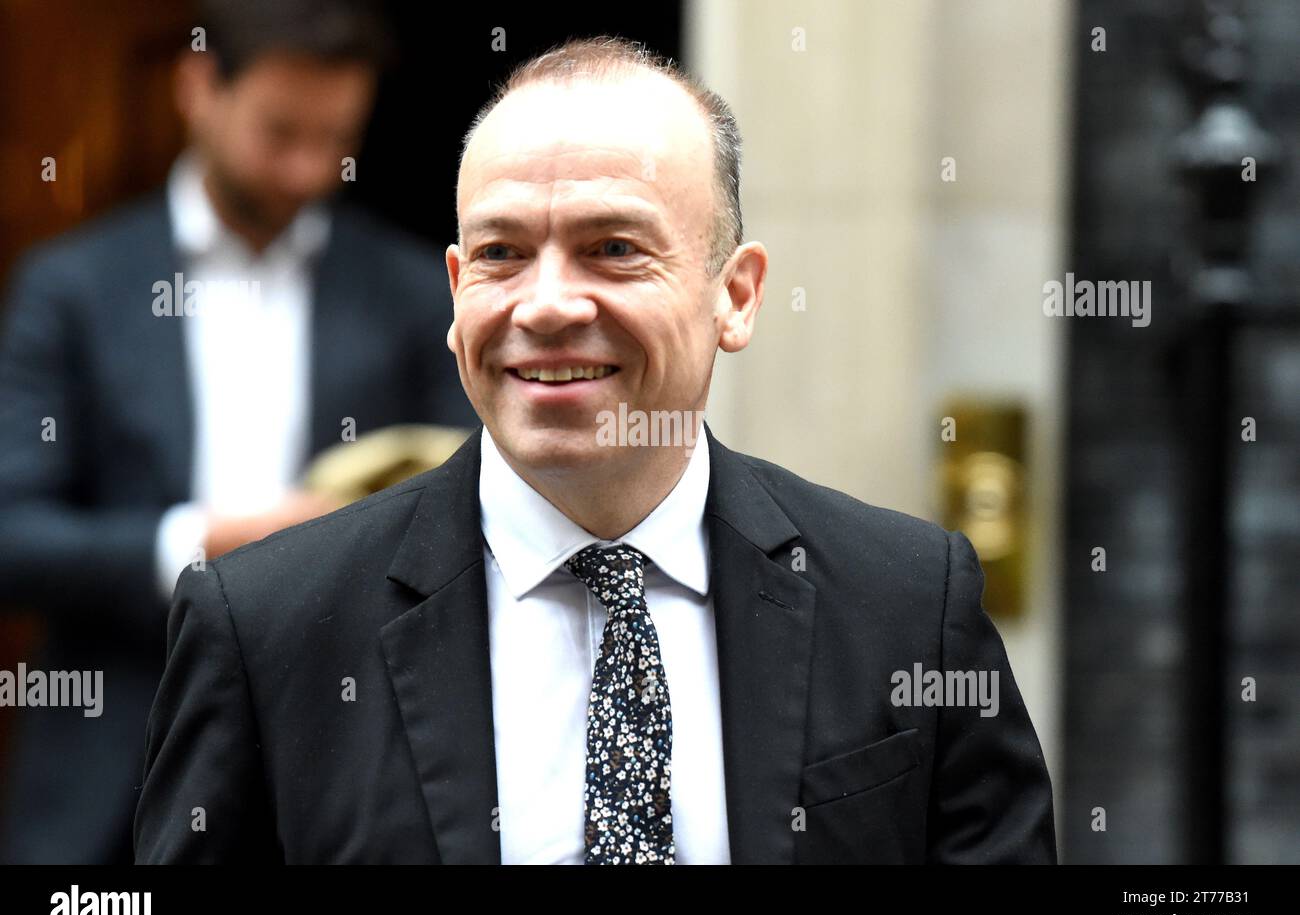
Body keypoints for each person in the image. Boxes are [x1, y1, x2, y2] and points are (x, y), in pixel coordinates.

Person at [134, 36, 1056, 864]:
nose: (545, 305)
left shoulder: (907, 600)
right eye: (500, 253)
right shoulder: (265, 627)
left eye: (612, 247)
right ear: (456, 295)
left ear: (735, 295)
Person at [0, 0, 475, 863]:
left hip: (343, 759)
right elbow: (12, 533)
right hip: (107, 763)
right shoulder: (70, 285)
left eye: (335, 139)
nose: (307, 169)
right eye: (280, 132)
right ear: (196, 86)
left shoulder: (412, 290)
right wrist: (208, 543)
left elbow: (464, 503)